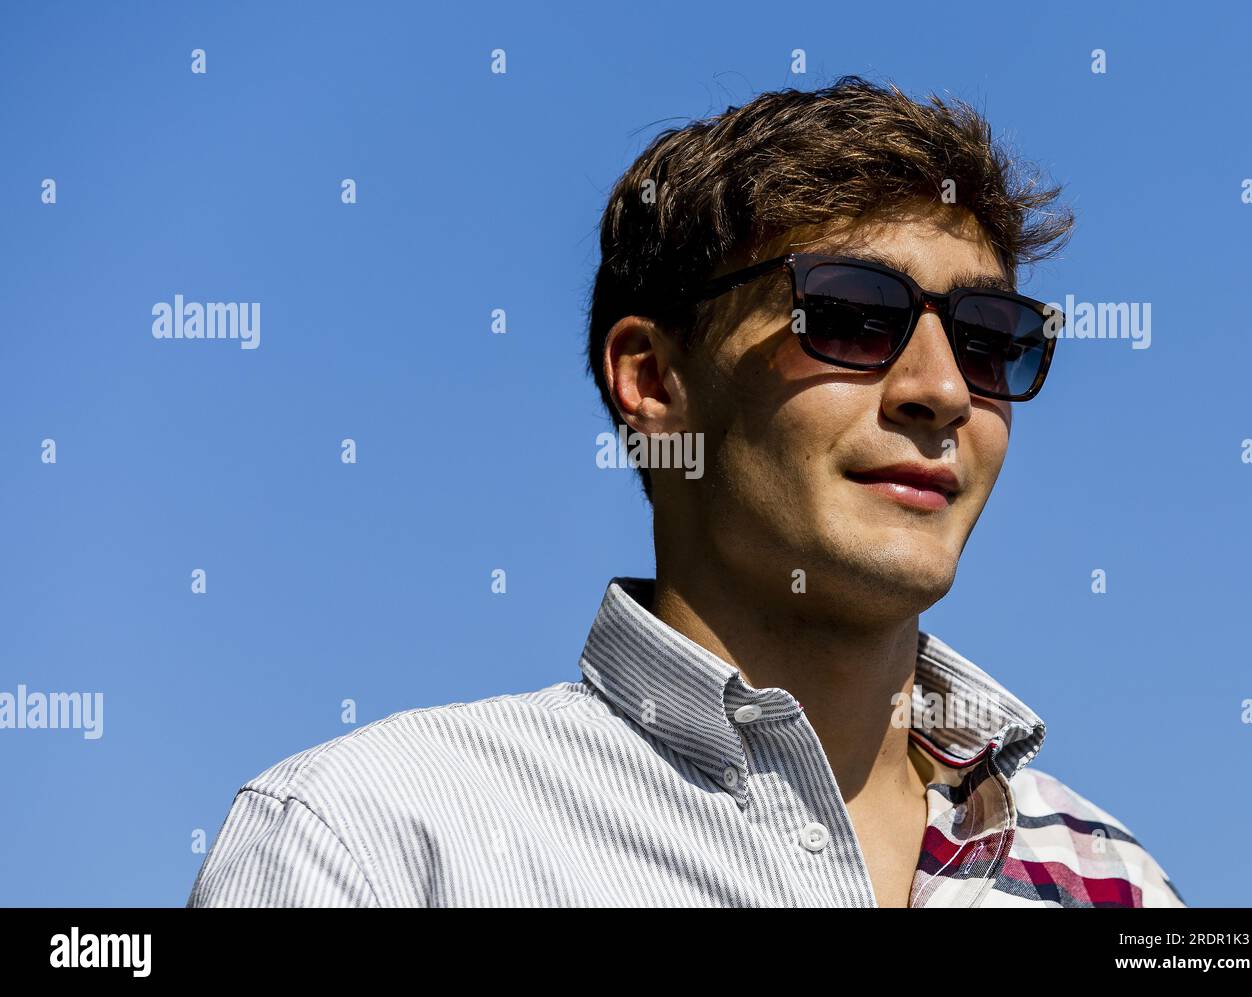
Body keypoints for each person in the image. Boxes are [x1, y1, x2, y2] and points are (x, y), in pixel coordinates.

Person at [188, 76, 1185, 908]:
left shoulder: (1114, 883)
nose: (937, 389)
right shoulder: (384, 843)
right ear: (654, 381)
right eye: (845, 315)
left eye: (987, 339)